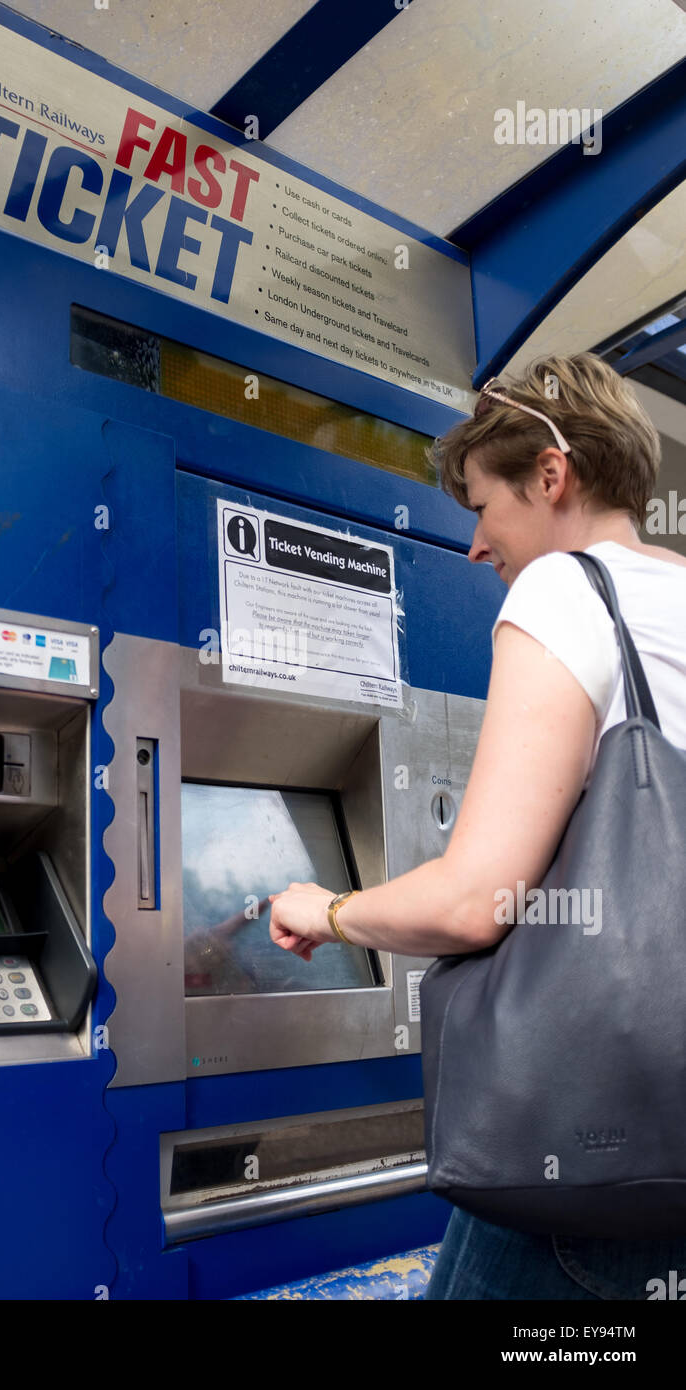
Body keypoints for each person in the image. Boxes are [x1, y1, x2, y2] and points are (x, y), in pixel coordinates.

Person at [267, 351, 686, 1299]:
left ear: (552, 475)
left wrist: (327, 908)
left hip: (596, 1166)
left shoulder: (567, 591)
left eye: (482, 508)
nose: (475, 545)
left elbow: (475, 902)